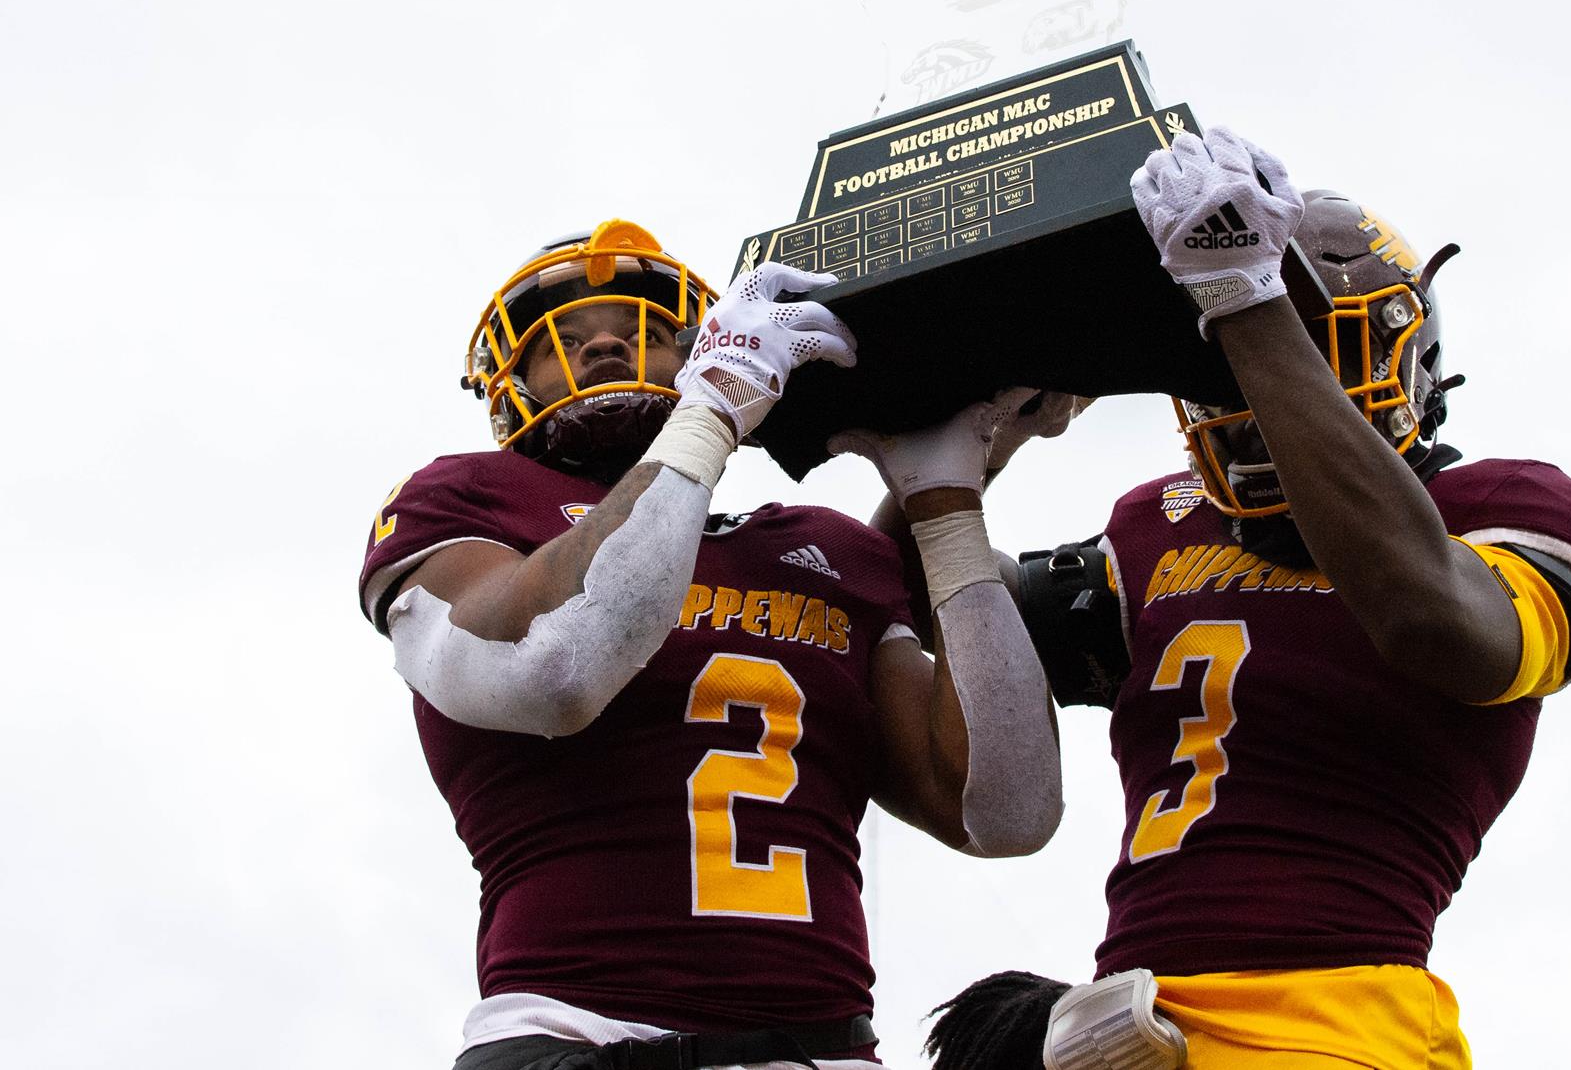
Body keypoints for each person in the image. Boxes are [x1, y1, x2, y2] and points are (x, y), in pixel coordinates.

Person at [919, 130, 1571, 1070]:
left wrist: (1247, 301)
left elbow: (1430, 621)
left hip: (1332, 1032)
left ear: (1403, 361)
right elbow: (938, 625)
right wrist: (953, 452)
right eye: (1228, 363)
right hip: (1125, 1034)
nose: (1252, 393)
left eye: (1304, 349)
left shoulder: (1508, 509)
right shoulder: (1159, 522)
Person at [358, 219, 1062, 1070]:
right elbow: (552, 664)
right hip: (579, 1038)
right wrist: (710, 411)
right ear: (508, 379)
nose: (611, 343)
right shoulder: (468, 502)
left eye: (650, 331)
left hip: (825, 1049)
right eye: (569, 337)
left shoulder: (826, 547)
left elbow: (1004, 808)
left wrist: (948, 492)